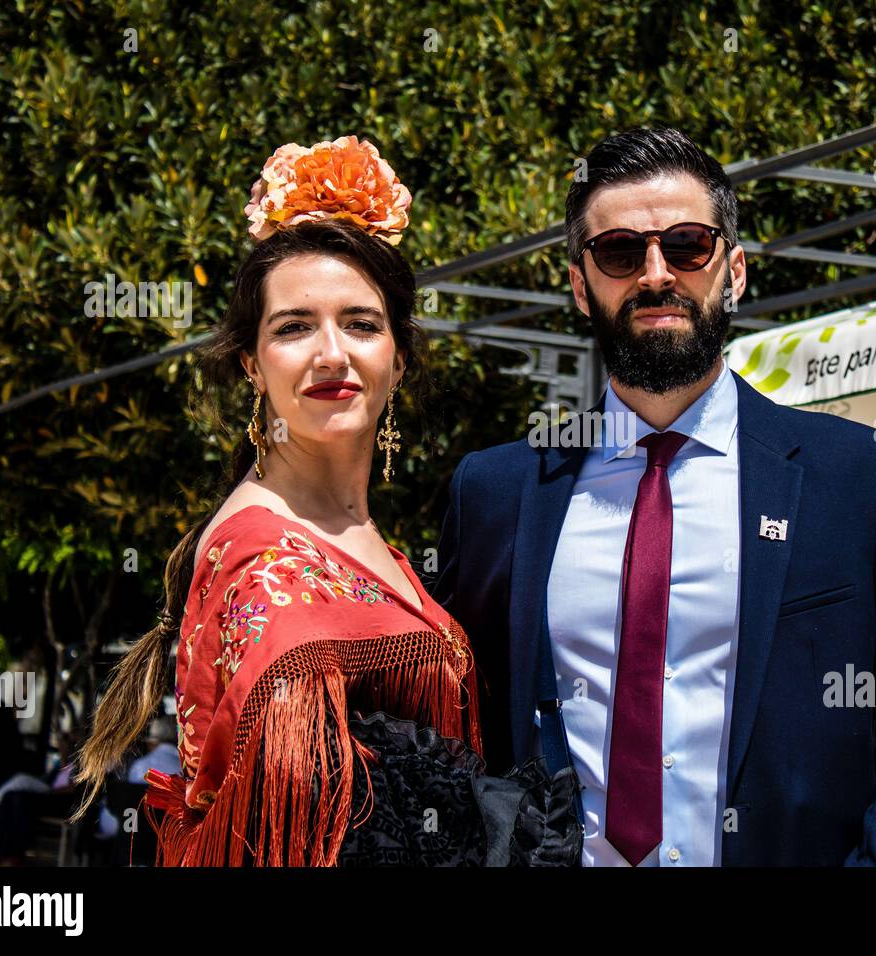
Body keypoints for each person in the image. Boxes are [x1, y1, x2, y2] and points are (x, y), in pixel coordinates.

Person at [434, 127, 876, 866]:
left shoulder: (859, 477)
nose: (656, 274)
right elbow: (452, 729)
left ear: (733, 272)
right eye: (620, 252)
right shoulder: (498, 490)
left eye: (688, 245)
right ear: (579, 283)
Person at [74, 135, 580, 867]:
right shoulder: (257, 549)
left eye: (362, 323)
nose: (331, 353)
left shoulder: (381, 546)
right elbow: (293, 821)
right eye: (294, 327)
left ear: (398, 359)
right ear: (252, 364)